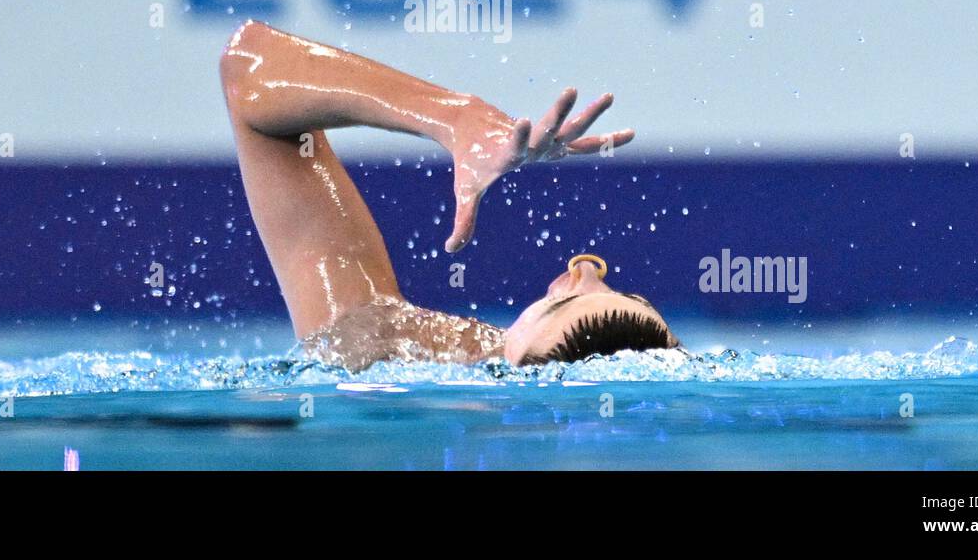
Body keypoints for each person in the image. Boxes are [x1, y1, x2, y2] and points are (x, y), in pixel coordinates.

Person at [220, 21, 680, 369]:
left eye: (565, 300)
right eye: (631, 294)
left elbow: (250, 67)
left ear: (511, 358)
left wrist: (452, 117)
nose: (583, 268)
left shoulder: (381, 350)